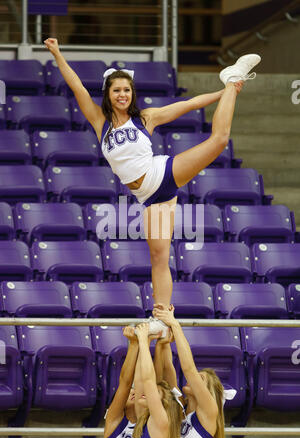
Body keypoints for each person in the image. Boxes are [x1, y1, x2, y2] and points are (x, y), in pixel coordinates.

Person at [44, 38, 261, 317]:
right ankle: (161, 315)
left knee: (219, 140)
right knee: (159, 257)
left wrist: (225, 92)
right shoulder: (101, 124)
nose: (122, 94)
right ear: (108, 94)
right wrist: (57, 54)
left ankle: (233, 78)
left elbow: (190, 104)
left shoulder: (145, 118)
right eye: (117, 90)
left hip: (162, 173)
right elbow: (76, 85)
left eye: (127, 90)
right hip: (149, 197)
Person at [153, 304, 232, 438]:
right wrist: (163, 336)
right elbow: (165, 372)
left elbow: (189, 368)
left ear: (208, 391)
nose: (192, 379)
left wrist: (175, 325)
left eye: (199, 379)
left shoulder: (209, 410)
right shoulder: (181, 408)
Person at [126, 322, 183, 438]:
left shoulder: (162, 423)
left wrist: (142, 339)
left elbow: (148, 380)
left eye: (153, 392)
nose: (147, 391)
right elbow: (142, 379)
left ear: (164, 404)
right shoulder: (144, 416)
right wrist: (147, 341)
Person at [103, 326, 138, 438]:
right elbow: (125, 383)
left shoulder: (154, 424)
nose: (133, 393)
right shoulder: (114, 422)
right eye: (129, 393)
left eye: (136, 391)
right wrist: (133, 344)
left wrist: (145, 343)